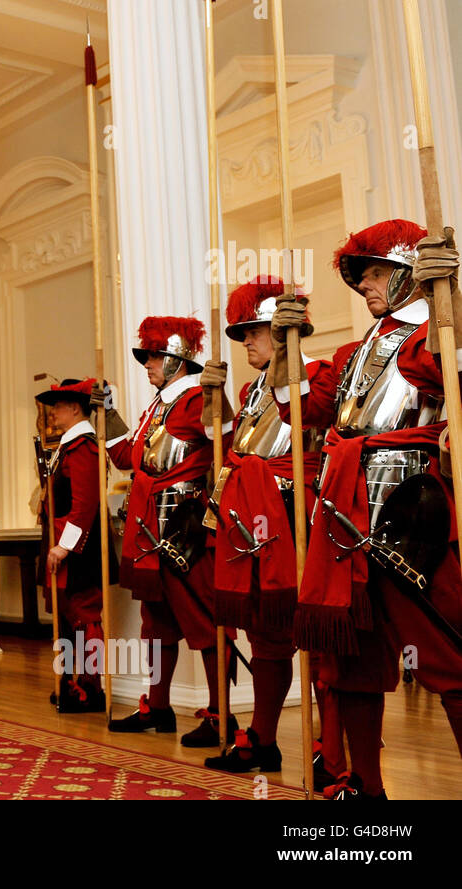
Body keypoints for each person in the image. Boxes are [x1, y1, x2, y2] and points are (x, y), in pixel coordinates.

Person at [272, 220, 462, 800]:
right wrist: (286, 352)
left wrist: (450, 300)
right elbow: (301, 413)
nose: (367, 285)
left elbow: (454, 373)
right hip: (343, 509)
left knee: (446, 651)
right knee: (348, 657)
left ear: (407, 275)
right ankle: (368, 789)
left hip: (411, 512)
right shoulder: (355, 350)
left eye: (378, 273)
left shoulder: (433, 335)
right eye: (364, 276)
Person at [198, 277, 330, 775]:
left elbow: (307, 424)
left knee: (315, 635)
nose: (246, 342)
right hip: (251, 520)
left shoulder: (317, 373)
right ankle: (265, 737)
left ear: (281, 332)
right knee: (266, 633)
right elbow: (233, 444)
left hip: (298, 513)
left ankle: (328, 743)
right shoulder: (252, 389)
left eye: (253, 331)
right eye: (244, 333)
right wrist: (216, 402)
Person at [101, 317, 236, 746]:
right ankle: (158, 706)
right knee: (155, 624)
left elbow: (225, 443)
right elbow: (128, 459)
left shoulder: (196, 398)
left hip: (184, 528)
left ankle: (222, 715)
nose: (147, 365)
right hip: (147, 528)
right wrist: (107, 412)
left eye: (155, 356)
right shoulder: (157, 408)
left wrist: (220, 398)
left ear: (178, 360)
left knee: (204, 620)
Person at [36, 378, 107, 713]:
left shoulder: (84, 447)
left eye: (59, 405)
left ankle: (91, 686)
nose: (53, 412)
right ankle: (69, 680)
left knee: (85, 614)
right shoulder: (68, 445)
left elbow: (84, 504)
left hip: (79, 548)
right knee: (67, 616)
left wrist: (64, 546)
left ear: (76, 408)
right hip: (62, 541)